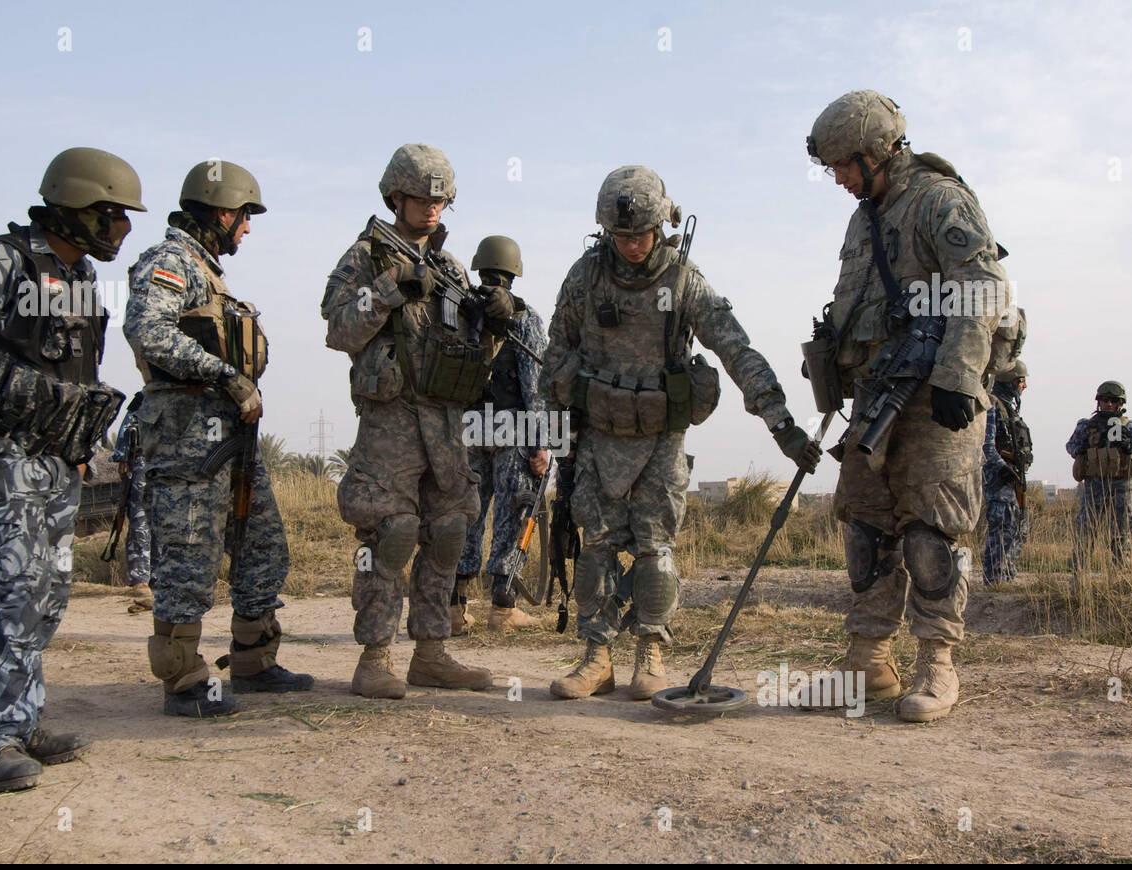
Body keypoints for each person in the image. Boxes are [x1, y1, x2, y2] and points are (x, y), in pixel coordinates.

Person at [0, 147, 145, 791]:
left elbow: (75, 375)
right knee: (4, 595)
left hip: (56, 465)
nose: (121, 229)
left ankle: (21, 720)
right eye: (111, 214)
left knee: (46, 597)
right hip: (2, 461)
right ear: (73, 204)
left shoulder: (82, 279)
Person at [538, 165, 820, 701]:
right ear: (605, 232)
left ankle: (651, 652)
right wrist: (550, 429)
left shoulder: (683, 280)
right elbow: (555, 355)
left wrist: (779, 420)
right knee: (594, 548)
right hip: (598, 438)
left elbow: (735, 349)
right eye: (621, 236)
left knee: (655, 548)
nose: (633, 245)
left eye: (642, 234)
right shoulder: (585, 277)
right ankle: (596, 657)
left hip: (661, 441)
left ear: (663, 225)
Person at [803, 90, 1011, 722]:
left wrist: (957, 374)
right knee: (866, 526)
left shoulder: (940, 199)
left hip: (934, 398)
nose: (837, 178)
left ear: (875, 151)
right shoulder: (864, 215)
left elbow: (982, 285)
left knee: (929, 530)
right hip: (876, 396)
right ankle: (869, 663)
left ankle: (937, 667)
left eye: (843, 164)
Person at [124, 160, 312, 718]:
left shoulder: (207, 274)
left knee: (263, 546)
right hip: (186, 441)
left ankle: (254, 661)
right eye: (246, 217)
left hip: (230, 440)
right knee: (187, 556)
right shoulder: (170, 263)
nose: (247, 230)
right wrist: (226, 375)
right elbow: (146, 330)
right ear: (223, 211)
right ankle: (182, 679)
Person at [323, 143, 511, 699]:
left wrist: (495, 325)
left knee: (449, 531)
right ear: (395, 196)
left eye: (440, 200)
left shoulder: (451, 268)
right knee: (391, 533)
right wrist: (387, 291)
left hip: (446, 427)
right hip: (392, 425)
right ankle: (373, 659)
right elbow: (339, 330)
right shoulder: (366, 256)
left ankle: (431, 654)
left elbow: (472, 356)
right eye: (421, 198)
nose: (432, 208)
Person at [453, 236, 550, 633]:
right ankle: (502, 607)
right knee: (514, 512)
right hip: (511, 428)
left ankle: (454, 609)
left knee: (466, 517)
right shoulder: (525, 318)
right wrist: (542, 443)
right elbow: (535, 386)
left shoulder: (460, 311)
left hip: (468, 428)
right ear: (514, 271)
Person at [1067, 381, 1132, 568]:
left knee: (1121, 533)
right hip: (1094, 486)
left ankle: (1121, 574)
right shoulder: (1086, 426)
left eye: (1113, 401)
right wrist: (1082, 448)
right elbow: (1071, 446)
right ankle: (1078, 572)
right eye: (1105, 400)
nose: (1108, 404)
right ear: (1099, 402)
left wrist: (1131, 447)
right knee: (1086, 530)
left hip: (1121, 487)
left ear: (1120, 403)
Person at [982, 360, 1031, 585]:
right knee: (1000, 529)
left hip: (1014, 477)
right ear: (1011, 381)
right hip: (998, 479)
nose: (1024, 386)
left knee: (1017, 528)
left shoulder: (1009, 408)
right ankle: (995, 580)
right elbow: (987, 446)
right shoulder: (992, 405)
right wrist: (1003, 468)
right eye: (1021, 381)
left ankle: (1007, 577)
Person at [111, 394, 153, 611]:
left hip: (175, 467)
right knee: (139, 521)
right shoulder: (143, 397)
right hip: (143, 464)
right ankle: (140, 580)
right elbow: (129, 423)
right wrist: (123, 457)